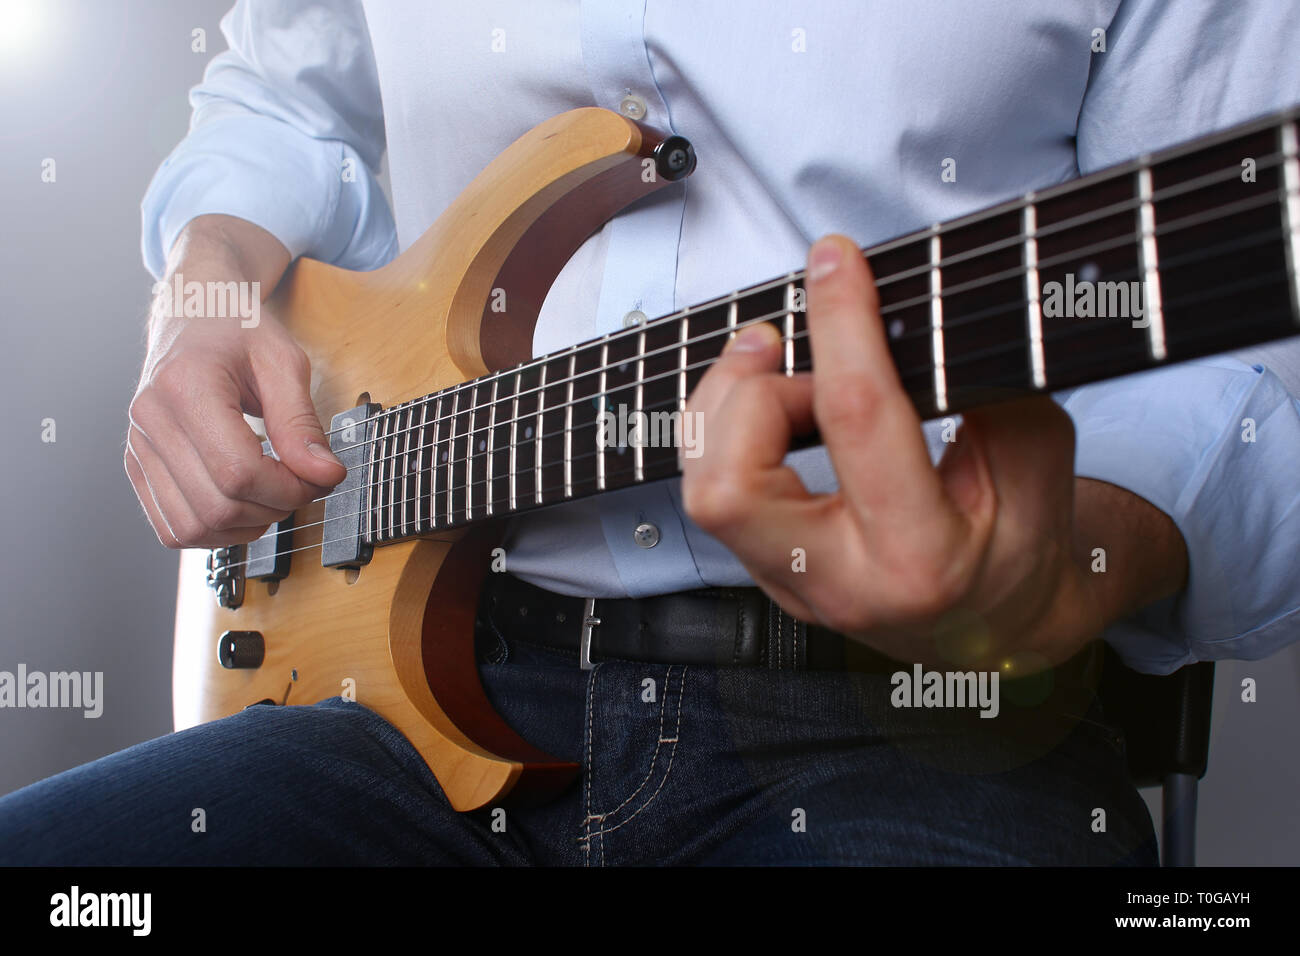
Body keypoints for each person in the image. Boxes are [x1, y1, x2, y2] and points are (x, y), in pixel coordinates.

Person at [1, 0, 1298, 865]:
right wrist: (206, 287)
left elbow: (1249, 346)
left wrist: (1080, 553)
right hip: (396, 686)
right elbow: (283, 98)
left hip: (912, 718)